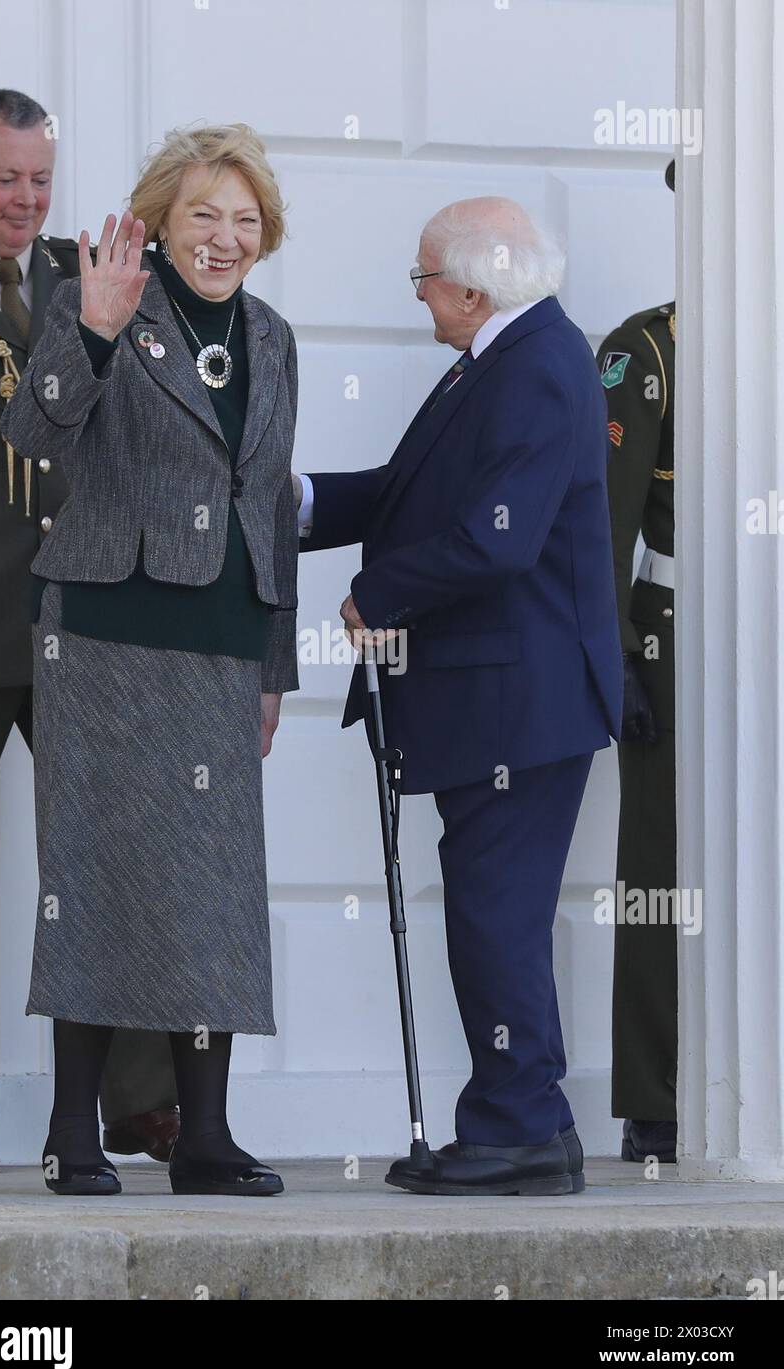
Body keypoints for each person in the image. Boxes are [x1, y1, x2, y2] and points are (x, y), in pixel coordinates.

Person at [294, 196, 622, 1196]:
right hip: (505, 699)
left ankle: (516, 1128)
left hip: (515, 704)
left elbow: (498, 538)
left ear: (473, 288)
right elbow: (412, 491)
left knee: (494, 918)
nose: (419, 294)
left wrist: (375, 593)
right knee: (495, 914)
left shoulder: (531, 366)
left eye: (424, 278)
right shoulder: (508, 360)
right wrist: (288, 501)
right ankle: (532, 1122)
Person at [2, 123, 299, 1197]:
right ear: (159, 226)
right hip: (107, 639)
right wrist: (89, 330)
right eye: (201, 217)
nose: (223, 238)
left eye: (243, 219)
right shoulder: (110, 311)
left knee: (212, 892)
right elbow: (31, 436)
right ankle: (72, 1136)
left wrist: (274, 666)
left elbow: (269, 502)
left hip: (222, 647)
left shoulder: (270, 336)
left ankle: (206, 1137)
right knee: (92, 879)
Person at [0, 88, 178, 1176]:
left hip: (85, 614)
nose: (27, 201)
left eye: (40, 180)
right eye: (4, 180)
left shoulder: (93, 276)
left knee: (116, 855)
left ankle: (140, 1099)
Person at [598, 158, 677, 1164]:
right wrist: (614, 651)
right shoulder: (645, 351)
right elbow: (603, 519)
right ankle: (655, 1093)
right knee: (661, 871)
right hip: (673, 628)